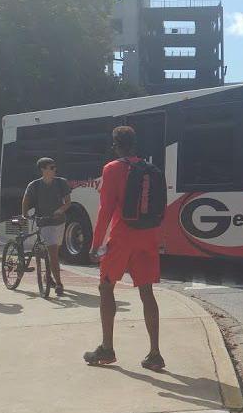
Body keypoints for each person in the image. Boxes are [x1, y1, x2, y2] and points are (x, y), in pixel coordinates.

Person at [84, 126, 164, 371]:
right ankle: (155, 354)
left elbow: (105, 210)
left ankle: (107, 348)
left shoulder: (112, 168)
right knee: (146, 291)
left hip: (122, 238)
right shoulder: (150, 168)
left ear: (115, 144)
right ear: (135, 143)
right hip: (147, 236)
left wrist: (96, 245)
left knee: (106, 287)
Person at [22, 157, 72, 295]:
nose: (54, 169)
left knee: (54, 253)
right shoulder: (34, 185)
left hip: (60, 221)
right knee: (54, 254)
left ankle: (47, 276)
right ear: (43, 170)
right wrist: (24, 214)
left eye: (55, 167)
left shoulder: (61, 183)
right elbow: (25, 200)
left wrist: (60, 210)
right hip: (45, 223)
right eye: (51, 167)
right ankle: (59, 284)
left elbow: (68, 202)